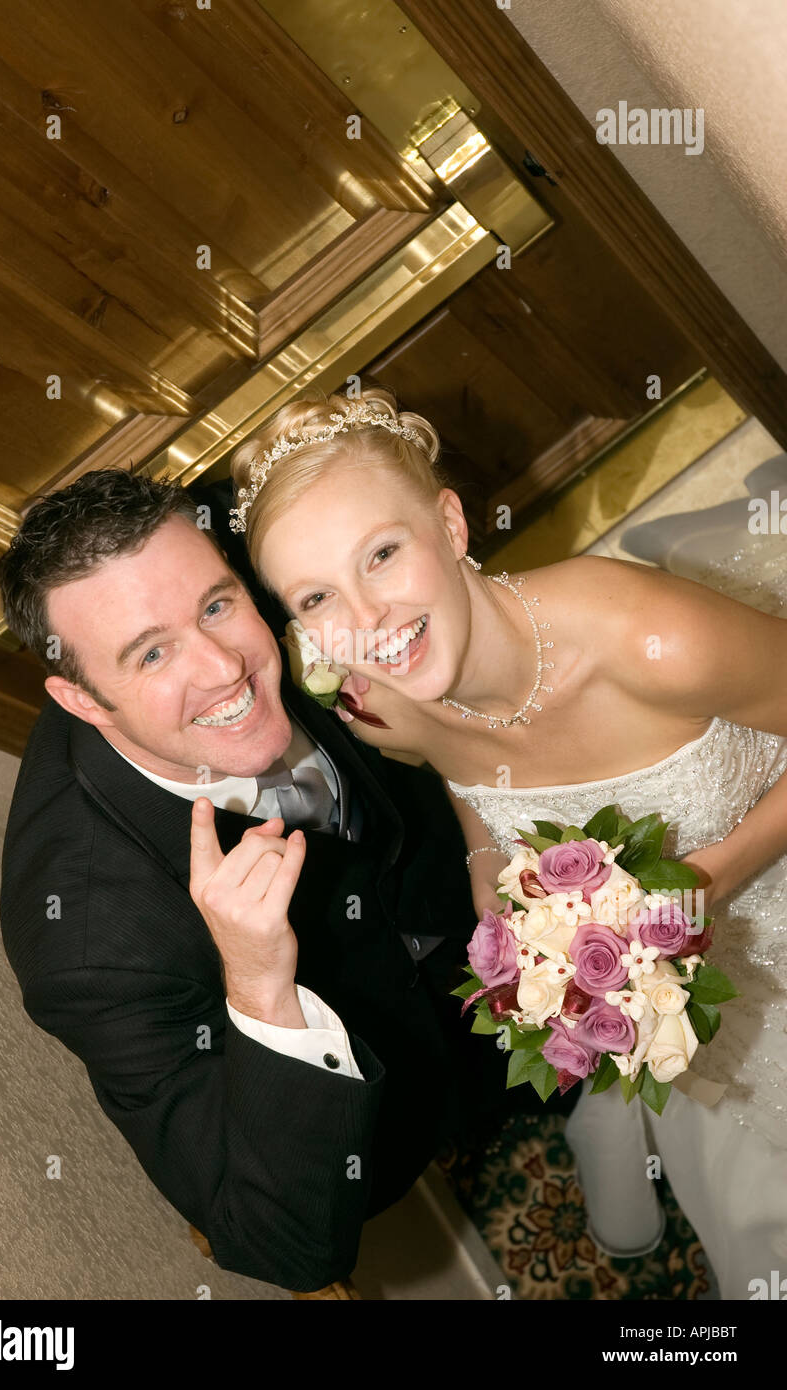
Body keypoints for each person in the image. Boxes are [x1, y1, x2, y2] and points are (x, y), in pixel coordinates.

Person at [230, 385, 787, 1298]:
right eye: (319, 595)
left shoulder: (656, 643)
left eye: (382, 553)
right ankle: (614, 1113)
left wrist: (709, 880)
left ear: (450, 524)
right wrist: (493, 880)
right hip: (690, 975)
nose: (366, 620)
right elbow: (471, 788)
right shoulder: (384, 705)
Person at [0, 468, 567, 1296]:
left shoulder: (255, 529)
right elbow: (280, 1244)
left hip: (476, 881)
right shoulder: (90, 945)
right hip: (396, 1097)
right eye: (152, 653)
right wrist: (260, 986)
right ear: (81, 701)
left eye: (218, 606)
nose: (227, 668)